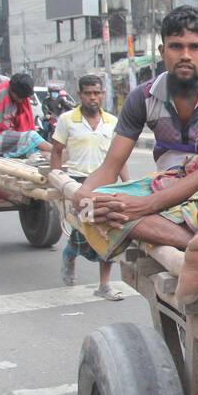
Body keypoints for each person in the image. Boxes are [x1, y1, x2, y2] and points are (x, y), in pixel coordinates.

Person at [74, 6, 198, 304]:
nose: (185, 55)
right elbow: (111, 165)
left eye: (195, 47)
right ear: (162, 51)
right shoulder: (141, 97)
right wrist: (83, 195)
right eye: (176, 46)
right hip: (166, 182)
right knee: (99, 207)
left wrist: (143, 207)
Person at [53, 74, 127, 300]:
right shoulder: (67, 120)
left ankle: (104, 285)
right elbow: (56, 150)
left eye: (96, 93)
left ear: (103, 94)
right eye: (88, 93)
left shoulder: (113, 122)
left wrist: (127, 184)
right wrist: (56, 180)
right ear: (80, 95)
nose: (92, 98)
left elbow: (119, 157)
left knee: (108, 233)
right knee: (83, 232)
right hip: (78, 184)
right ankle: (70, 255)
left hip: (105, 186)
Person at [0, 71, 55, 159]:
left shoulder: (21, 98)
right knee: (32, 136)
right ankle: (57, 151)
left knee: (34, 151)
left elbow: (23, 124)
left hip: (10, 138)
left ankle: (56, 156)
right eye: (20, 97)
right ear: (12, 90)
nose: (22, 100)